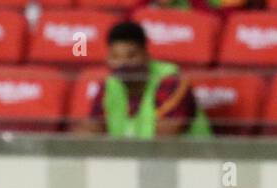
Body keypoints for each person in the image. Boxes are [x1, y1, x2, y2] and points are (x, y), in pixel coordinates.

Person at [74, 20, 210, 139]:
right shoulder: (109, 85)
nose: (123, 64)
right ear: (107, 59)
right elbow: (90, 131)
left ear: (146, 55)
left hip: (196, 163)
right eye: (115, 57)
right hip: (134, 164)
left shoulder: (170, 81)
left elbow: (165, 141)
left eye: (131, 56)